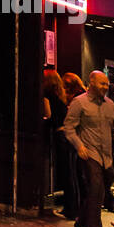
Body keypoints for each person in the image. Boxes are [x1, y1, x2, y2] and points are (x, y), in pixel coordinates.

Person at [63, 69, 114, 227]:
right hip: (89, 154)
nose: (105, 87)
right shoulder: (79, 103)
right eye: (102, 83)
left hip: (106, 157)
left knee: (102, 188)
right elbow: (69, 128)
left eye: (107, 84)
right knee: (96, 190)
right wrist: (79, 146)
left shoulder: (110, 105)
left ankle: (82, 221)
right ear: (91, 83)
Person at [43, 69, 71, 214]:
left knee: (63, 170)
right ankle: (70, 204)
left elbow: (48, 117)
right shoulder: (61, 96)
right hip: (66, 133)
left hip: (59, 134)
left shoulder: (47, 96)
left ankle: (69, 207)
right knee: (68, 171)